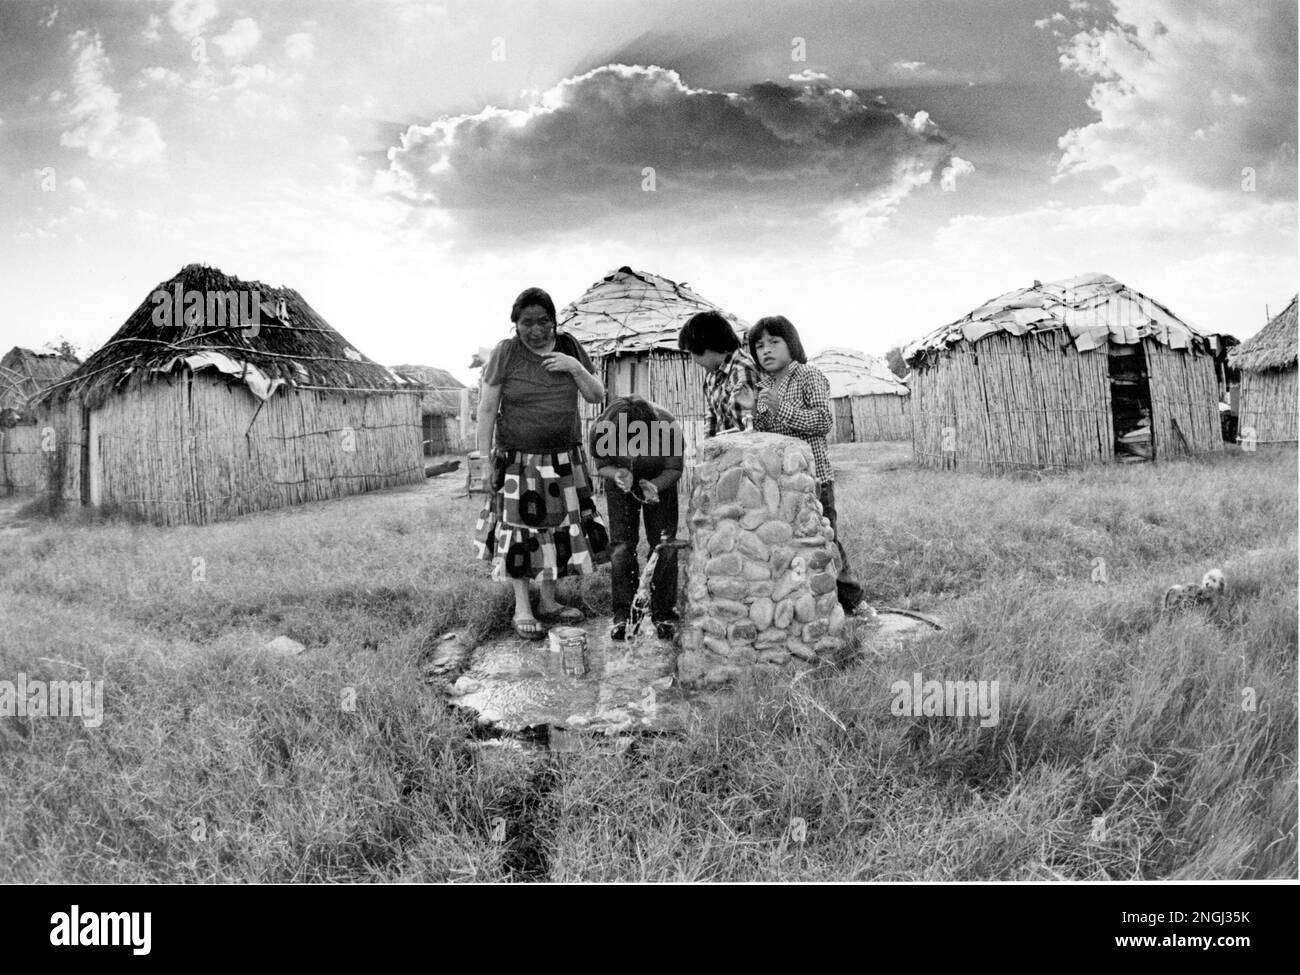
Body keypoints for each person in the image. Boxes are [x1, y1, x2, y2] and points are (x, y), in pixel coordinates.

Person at [473, 287, 609, 640]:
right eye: (526, 323)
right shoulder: (506, 353)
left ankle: (548, 602)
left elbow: (597, 396)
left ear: (554, 321)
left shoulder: (569, 347)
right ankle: (522, 607)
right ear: (515, 325)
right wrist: (483, 461)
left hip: (564, 457)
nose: (536, 330)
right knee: (520, 532)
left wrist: (575, 367)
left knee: (558, 528)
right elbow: (487, 409)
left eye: (543, 322)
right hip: (518, 459)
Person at [748, 315, 875, 621]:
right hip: (781, 484)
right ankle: (810, 605)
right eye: (759, 345)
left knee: (826, 539)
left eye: (774, 342)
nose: (766, 350)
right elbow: (767, 434)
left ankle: (855, 602)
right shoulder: (764, 386)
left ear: (791, 344)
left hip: (814, 478)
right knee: (792, 544)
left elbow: (822, 421)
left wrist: (781, 407)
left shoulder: (808, 375)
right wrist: (755, 411)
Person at [588, 396, 684, 642]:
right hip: (620, 487)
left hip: (659, 481)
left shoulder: (668, 426)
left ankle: (664, 614)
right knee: (621, 547)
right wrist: (618, 474)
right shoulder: (602, 427)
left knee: (664, 546)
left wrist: (656, 485)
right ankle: (624, 616)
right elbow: (602, 466)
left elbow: (674, 468)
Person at [677, 309, 759, 437]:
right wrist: (706, 445)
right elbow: (712, 415)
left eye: (692, 352)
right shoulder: (712, 374)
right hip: (725, 448)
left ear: (710, 346)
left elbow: (747, 430)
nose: (693, 359)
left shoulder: (742, 370)